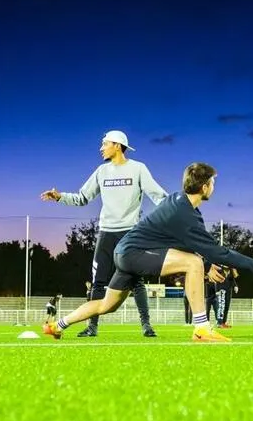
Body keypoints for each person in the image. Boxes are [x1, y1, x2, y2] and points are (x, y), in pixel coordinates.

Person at [43, 162, 253, 342]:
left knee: (107, 305)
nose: (214, 187)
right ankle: (201, 329)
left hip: (125, 252)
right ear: (205, 187)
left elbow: (190, 244)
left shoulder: (179, 202)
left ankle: (57, 326)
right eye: (213, 183)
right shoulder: (184, 213)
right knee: (193, 263)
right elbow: (217, 252)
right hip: (133, 253)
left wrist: (208, 265)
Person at [41, 130, 168, 338]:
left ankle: (146, 326)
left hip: (130, 234)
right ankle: (92, 327)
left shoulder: (138, 169)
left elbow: (158, 195)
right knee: (98, 282)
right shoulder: (101, 171)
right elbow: (82, 197)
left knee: (136, 281)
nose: (101, 148)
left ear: (117, 145)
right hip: (106, 234)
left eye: (104, 144)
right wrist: (59, 197)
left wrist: (176, 209)